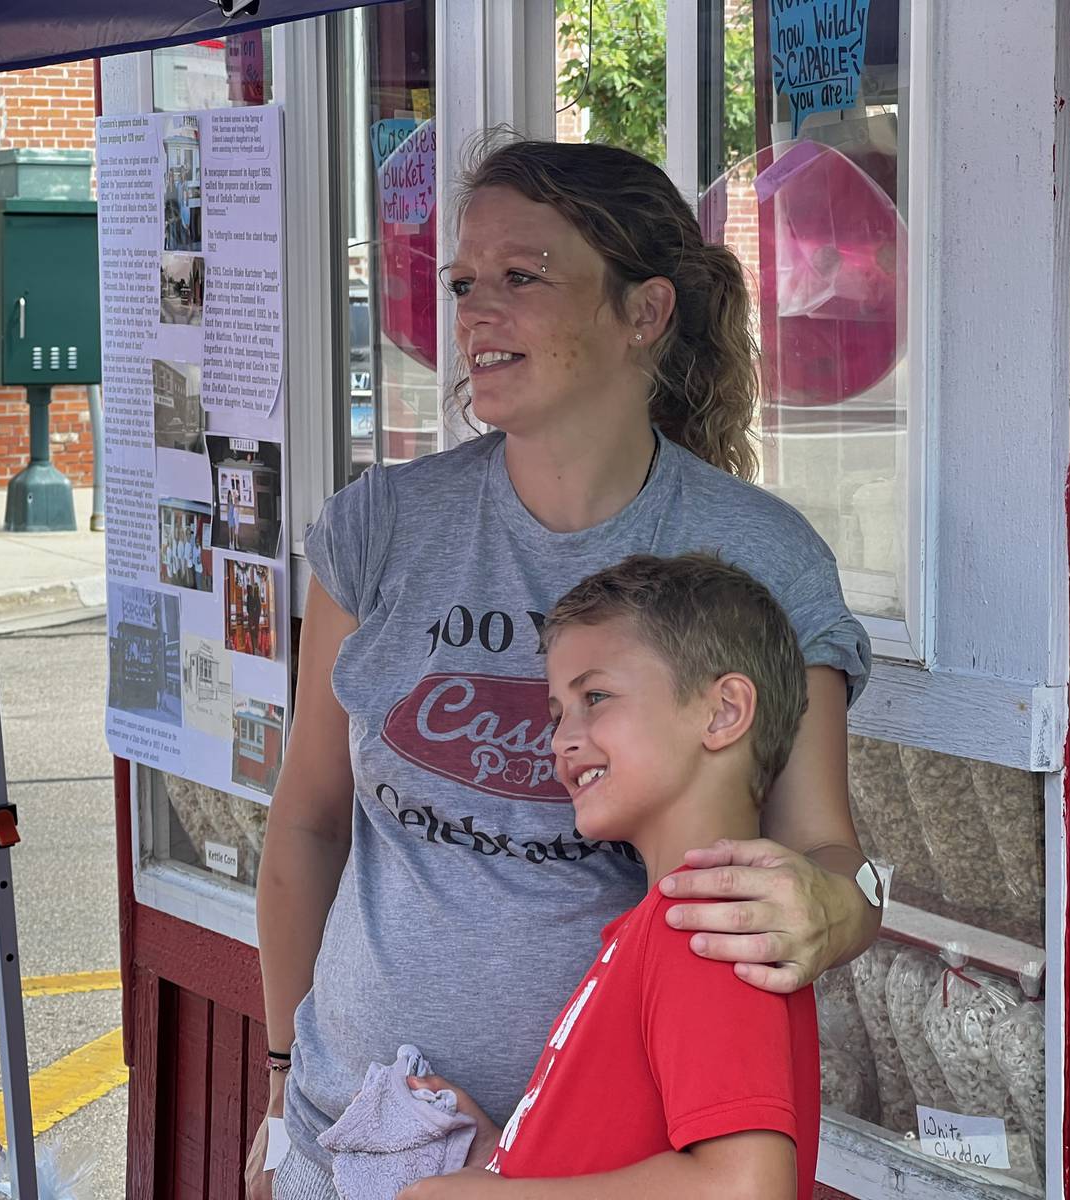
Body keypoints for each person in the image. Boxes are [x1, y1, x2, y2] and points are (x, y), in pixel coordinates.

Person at [250, 138, 881, 1200]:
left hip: (590, 1167)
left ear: (644, 312)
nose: (474, 312)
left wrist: (836, 910)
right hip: (351, 1129)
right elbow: (308, 821)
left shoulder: (759, 557)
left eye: (521, 277)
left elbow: (829, 859)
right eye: (462, 284)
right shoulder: (383, 527)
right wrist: (279, 1099)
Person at [396, 553, 819, 1199]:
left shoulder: (709, 925)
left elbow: (745, 1188)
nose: (561, 739)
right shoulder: (660, 924)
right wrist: (500, 1156)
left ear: (724, 712)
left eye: (595, 697)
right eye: (556, 714)